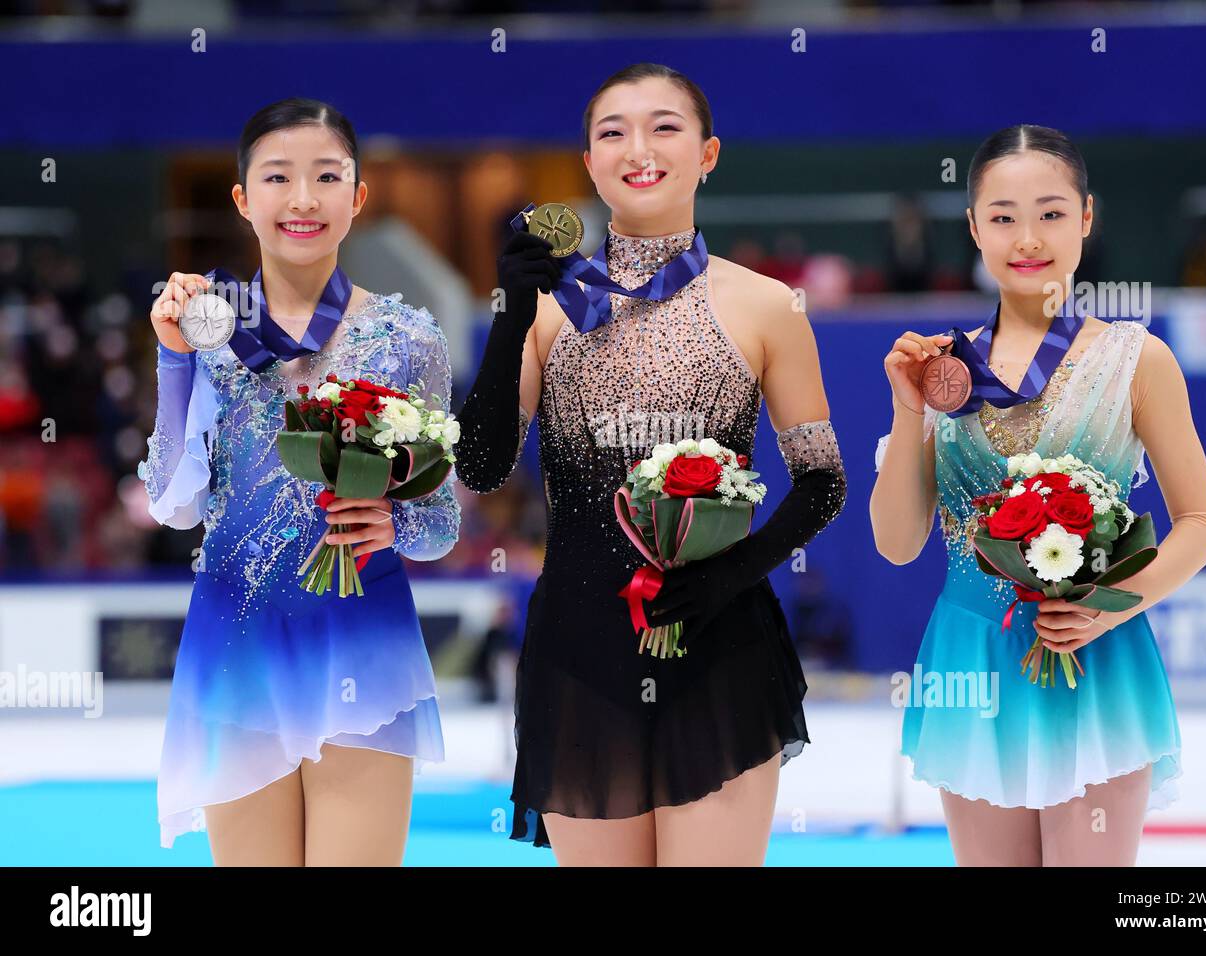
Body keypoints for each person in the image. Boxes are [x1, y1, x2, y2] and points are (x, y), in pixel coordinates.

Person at [454, 63, 847, 865]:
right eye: (613, 131)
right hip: (579, 651)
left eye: (665, 126)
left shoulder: (767, 304)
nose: (640, 147)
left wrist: (726, 574)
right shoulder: (550, 307)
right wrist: (509, 316)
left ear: (707, 154)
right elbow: (485, 465)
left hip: (722, 645)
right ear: (589, 161)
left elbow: (823, 481)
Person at [871, 124, 1206, 866]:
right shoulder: (942, 372)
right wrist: (909, 413)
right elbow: (899, 545)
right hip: (972, 656)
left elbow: (1200, 524)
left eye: (1051, 213)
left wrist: (1108, 605)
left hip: (1096, 653)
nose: (1027, 237)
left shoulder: (1138, 359)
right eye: (1002, 216)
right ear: (972, 227)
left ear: (1087, 217)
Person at [138, 97, 460, 864]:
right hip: (238, 647)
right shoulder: (208, 330)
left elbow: (441, 523)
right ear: (244, 199)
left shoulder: (410, 338)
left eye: (326, 176)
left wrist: (394, 522)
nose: (304, 199)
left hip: (363, 644)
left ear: (358, 198)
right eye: (278, 177)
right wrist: (173, 359)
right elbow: (171, 503)